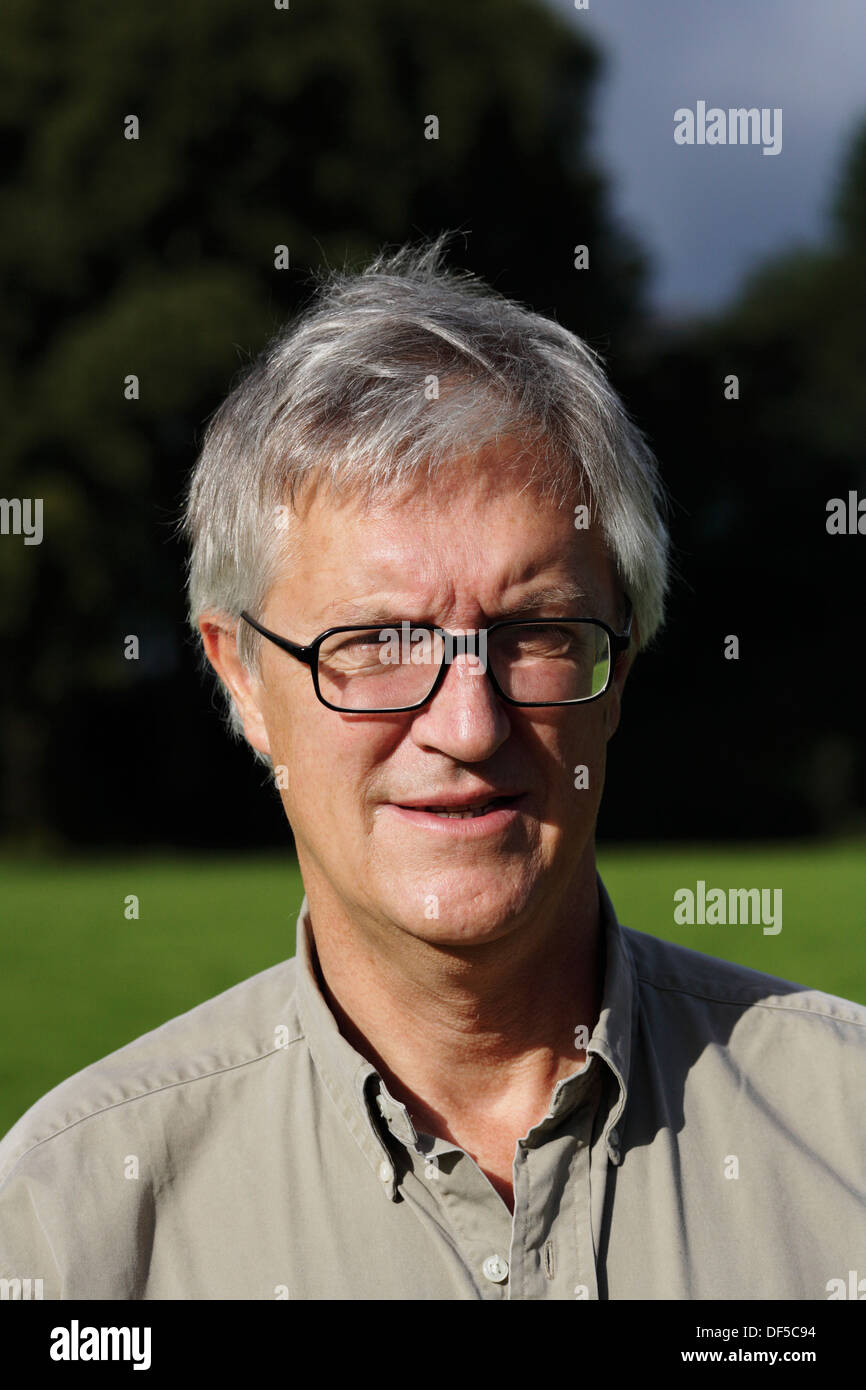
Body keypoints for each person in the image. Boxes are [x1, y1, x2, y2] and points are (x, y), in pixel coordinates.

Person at [1, 237, 862, 1301]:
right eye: (372, 641)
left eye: (534, 631)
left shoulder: (846, 1137)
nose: (465, 720)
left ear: (620, 665)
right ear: (241, 679)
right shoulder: (74, 1221)